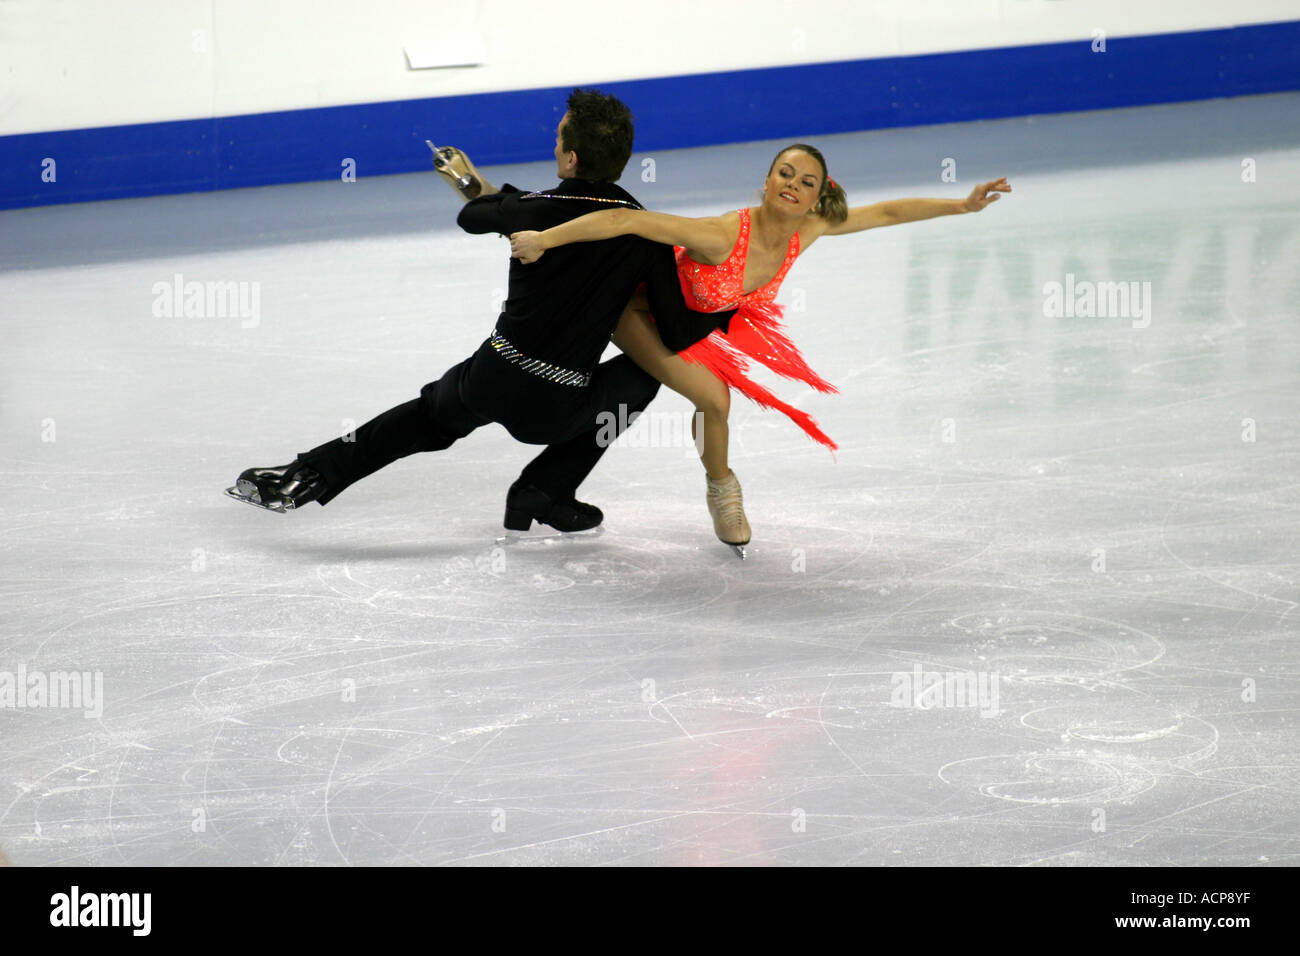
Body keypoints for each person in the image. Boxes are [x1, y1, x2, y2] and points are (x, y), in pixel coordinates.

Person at [226, 89, 734, 535]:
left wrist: (469, 182)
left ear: (572, 158)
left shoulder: (531, 210)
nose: (553, 145)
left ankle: (305, 475)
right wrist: (729, 308)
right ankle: (544, 490)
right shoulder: (646, 232)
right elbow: (674, 333)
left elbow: (473, 215)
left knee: (423, 419)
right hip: (556, 405)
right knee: (643, 378)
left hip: (492, 373)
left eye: (559, 139)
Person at [509, 147, 1011, 552]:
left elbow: (886, 211)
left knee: (671, 395)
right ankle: (723, 491)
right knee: (715, 399)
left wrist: (963, 206)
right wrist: (544, 241)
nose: (792, 185)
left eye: (805, 181)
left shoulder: (807, 230)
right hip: (634, 313)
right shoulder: (723, 234)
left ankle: (571, 478)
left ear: (817, 198)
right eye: (784, 175)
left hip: (689, 323)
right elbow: (627, 223)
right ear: (767, 182)